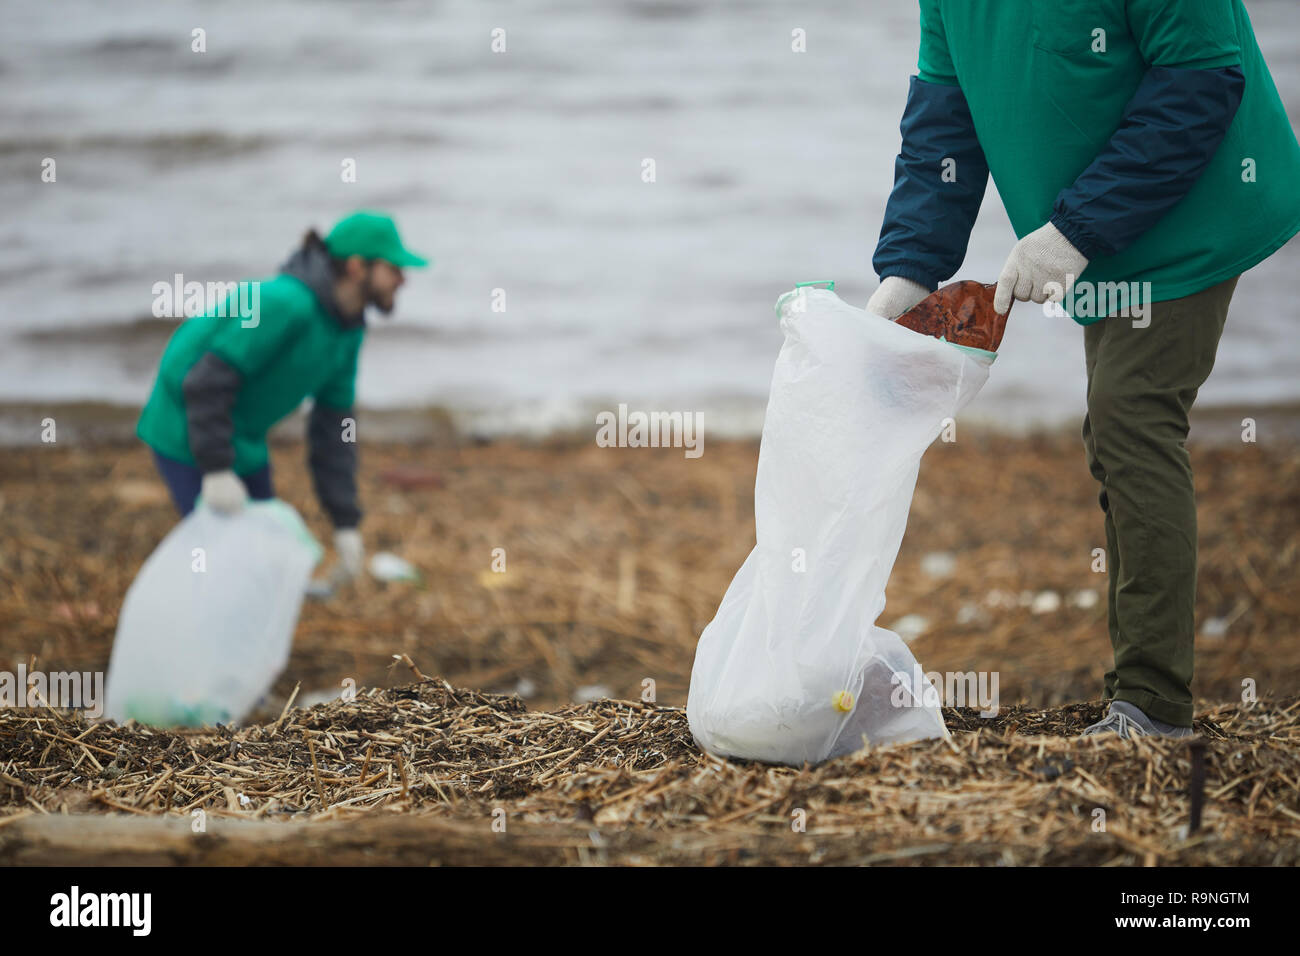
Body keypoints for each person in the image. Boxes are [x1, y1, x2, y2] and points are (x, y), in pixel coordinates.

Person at [867, 2, 1300, 737]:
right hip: (1099, 226)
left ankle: (1152, 706)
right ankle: (1137, 692)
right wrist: (905, 272)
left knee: (1132, 418)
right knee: (1113, 433)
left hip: (1197, 211)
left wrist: (1071, 233)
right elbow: (946, 123)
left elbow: (1200, 81)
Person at [136, 210, 430, 586]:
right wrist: (215, 469)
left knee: (263, 558)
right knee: (219, 562)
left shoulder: (348, 329)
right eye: (395, 268)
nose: (403, 279)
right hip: (184, 428)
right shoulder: (284, 303)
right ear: (358, 267)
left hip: (245, 437)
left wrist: (345, 522)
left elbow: (335, 428)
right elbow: (205, 383)